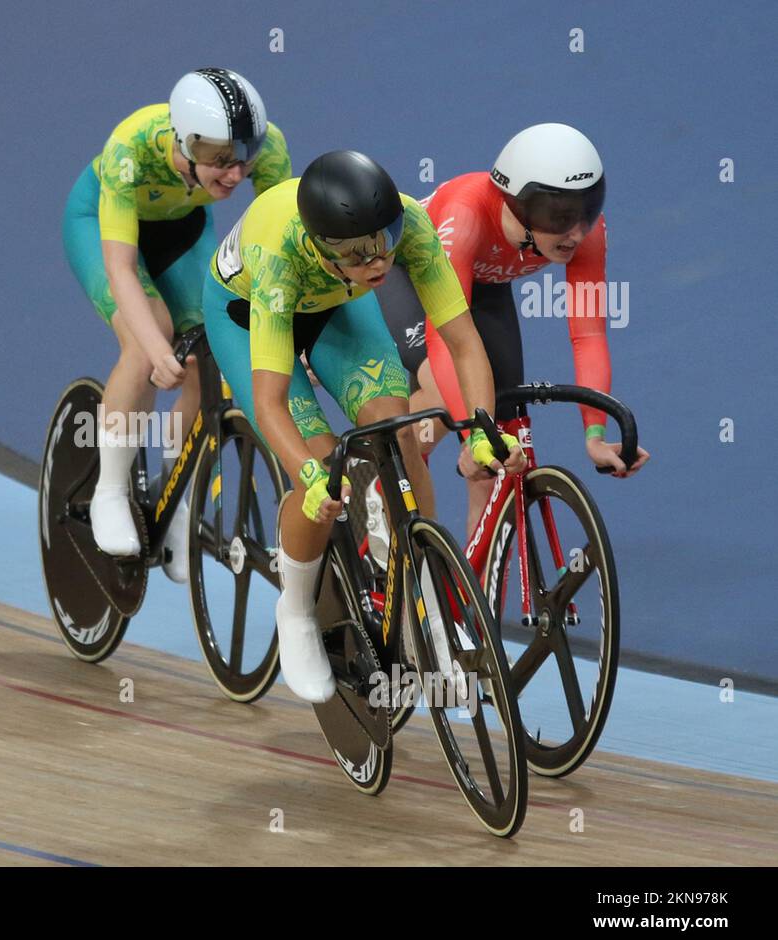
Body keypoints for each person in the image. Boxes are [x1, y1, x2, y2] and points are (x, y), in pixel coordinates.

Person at [203, 150, 524, 702]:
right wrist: (306, 472)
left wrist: (482, 431)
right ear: (326, 251)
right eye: (358, 254)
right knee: (324, 471)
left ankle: (423, 608)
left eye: (385, 241)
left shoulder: (410, 227)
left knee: (398, 432)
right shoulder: (281, 261)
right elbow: (271, 403)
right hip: (245, 311)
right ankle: (297, 608)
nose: (379, 262)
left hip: (335, 307)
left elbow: (464, 342)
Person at [61, 68, 291, 582]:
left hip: (182, 232)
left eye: (244, 161)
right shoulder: (131, 147)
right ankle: (111, 490)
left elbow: (282, 240)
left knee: (206, 350)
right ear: (186, 143)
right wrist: (153, 347)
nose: (236, 175)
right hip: (102, 227)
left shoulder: (267, 145)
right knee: (149, 344)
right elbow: (120, 267)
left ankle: (174, 487)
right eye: (221, 162)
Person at [375, 123, 649, 539]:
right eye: (559, 216)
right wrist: (471, 434)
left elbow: (589, 335)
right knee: (441, 392)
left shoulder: (583, 234)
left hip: (483, 284)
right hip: (408, 275)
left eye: (586, 210)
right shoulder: (465, 216)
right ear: (519, 207)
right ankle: (386, 485)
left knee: (500, 449)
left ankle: (475, 599)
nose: (576, 232)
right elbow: (447, 346)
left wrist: (595, 434)